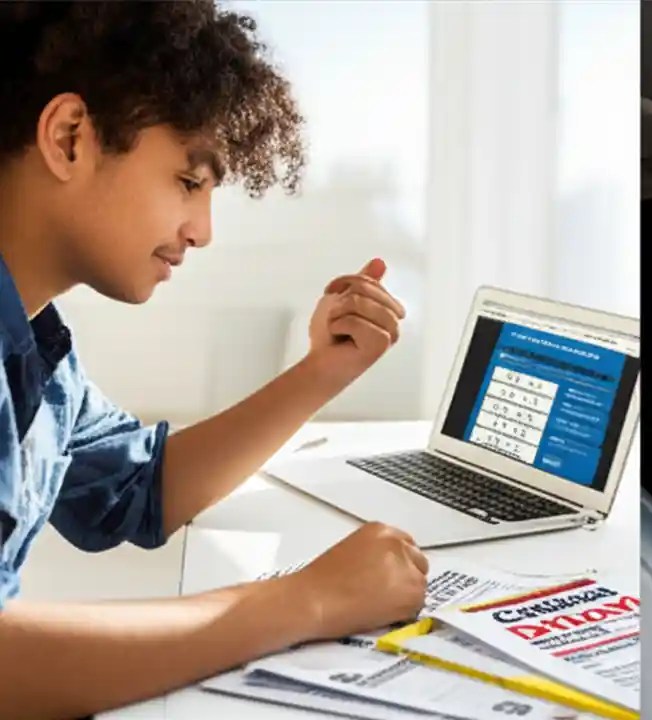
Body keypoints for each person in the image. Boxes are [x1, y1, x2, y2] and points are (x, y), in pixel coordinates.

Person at [0, 3, 429, 717]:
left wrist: (322, 372)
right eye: (189, 182)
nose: (201, 231)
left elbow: (139, 489)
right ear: (70, 138)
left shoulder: (37, 345)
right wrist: (307, 600)